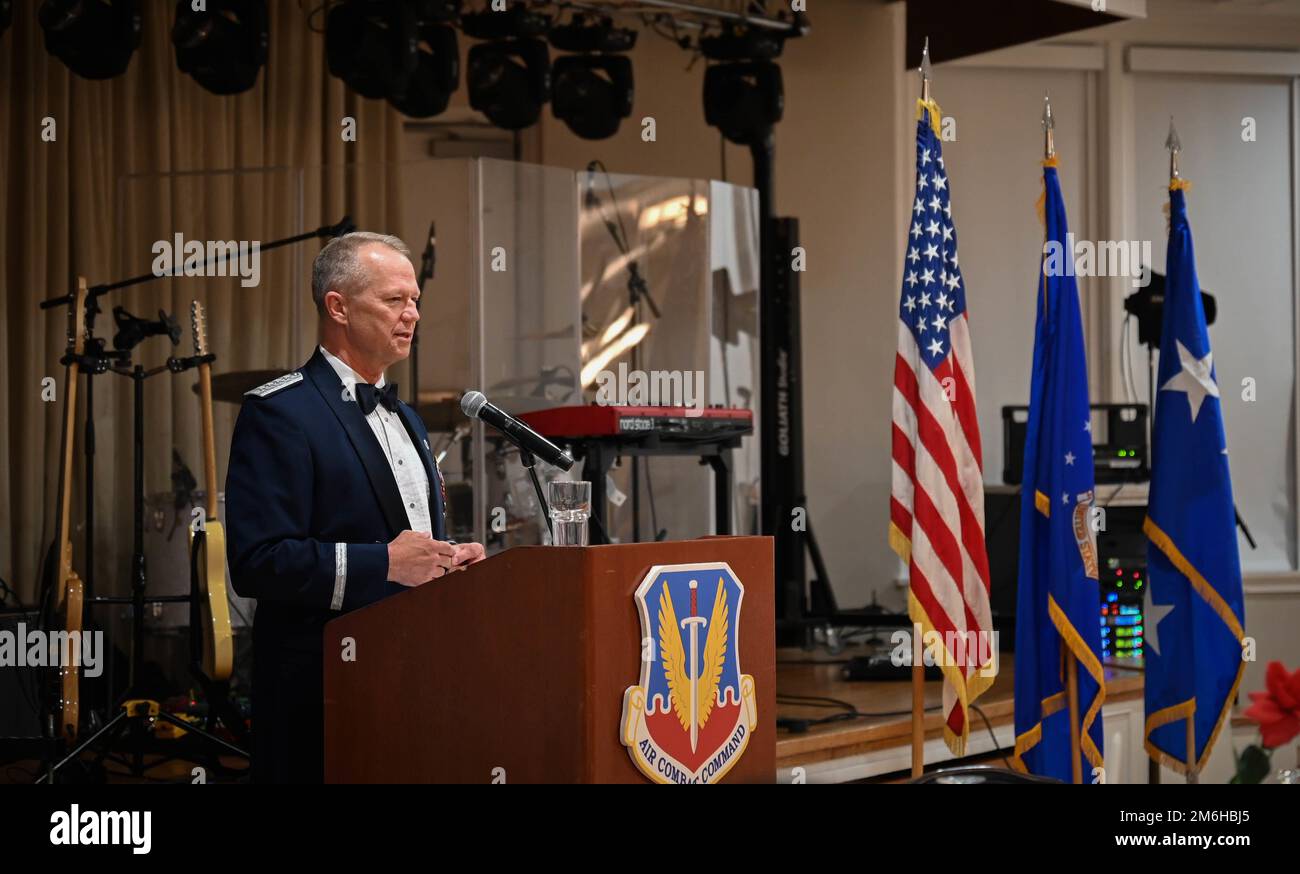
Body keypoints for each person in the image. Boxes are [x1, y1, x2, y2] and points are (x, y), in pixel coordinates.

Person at [226, 231, 485, 783]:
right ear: (338, 306)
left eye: (415, 300)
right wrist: (385, 564)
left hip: (410, 677)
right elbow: (258, 562)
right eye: (394, 300)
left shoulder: (408, 419)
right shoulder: (281, 412)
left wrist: (446, 562)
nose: (411, 314)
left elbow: (406, 545)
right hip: (320, 689)